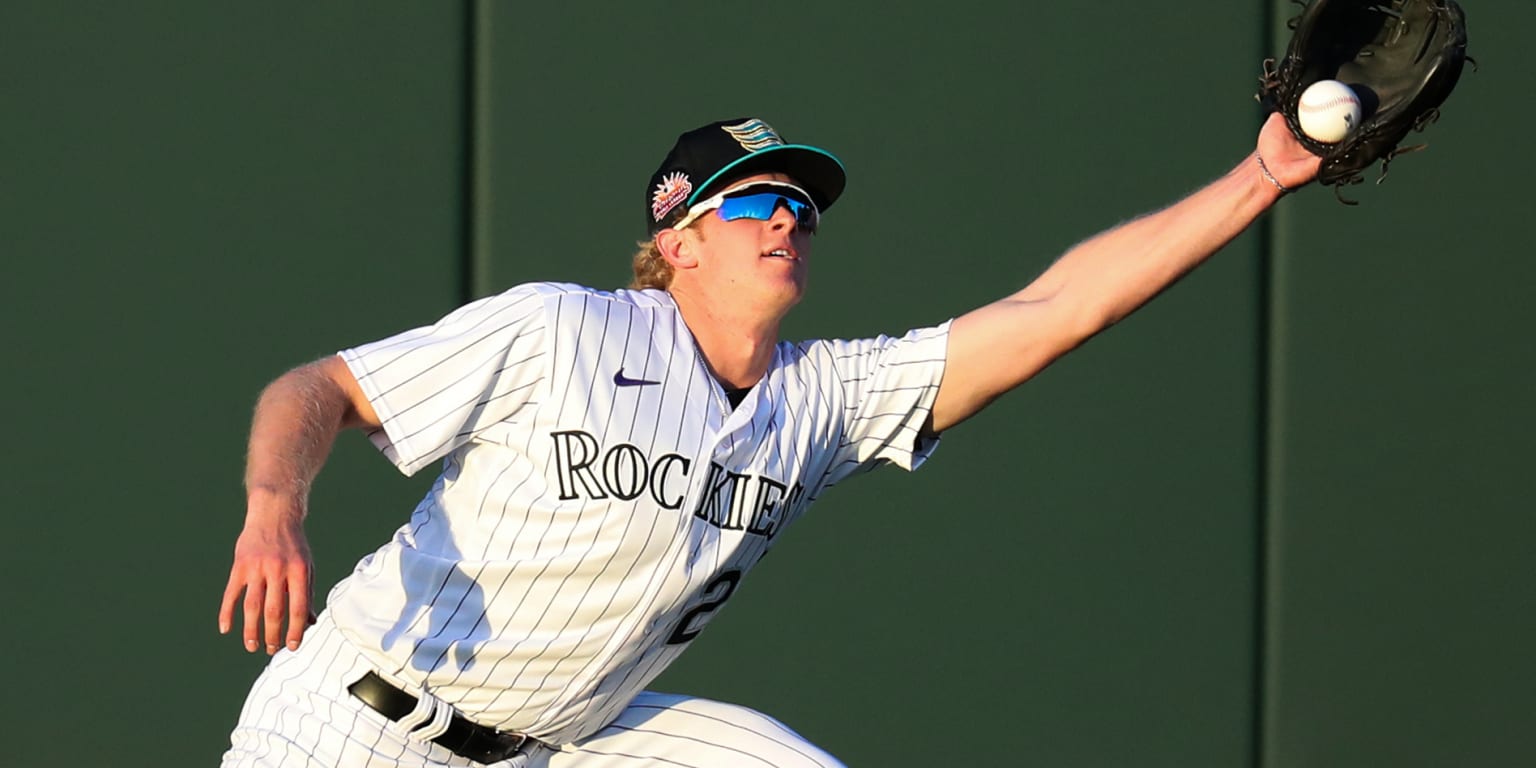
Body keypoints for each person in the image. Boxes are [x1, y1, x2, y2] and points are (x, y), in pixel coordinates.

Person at [219, 114, 1320, 767]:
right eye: (751, 203)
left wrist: (1258, 177)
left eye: (800, 205)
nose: (787, 217)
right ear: (680, 241)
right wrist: (277, 505)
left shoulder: (820, 398)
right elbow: (317, 386)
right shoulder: (561, 327)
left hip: (573, 741)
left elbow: (1055, 310)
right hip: (359, 722)